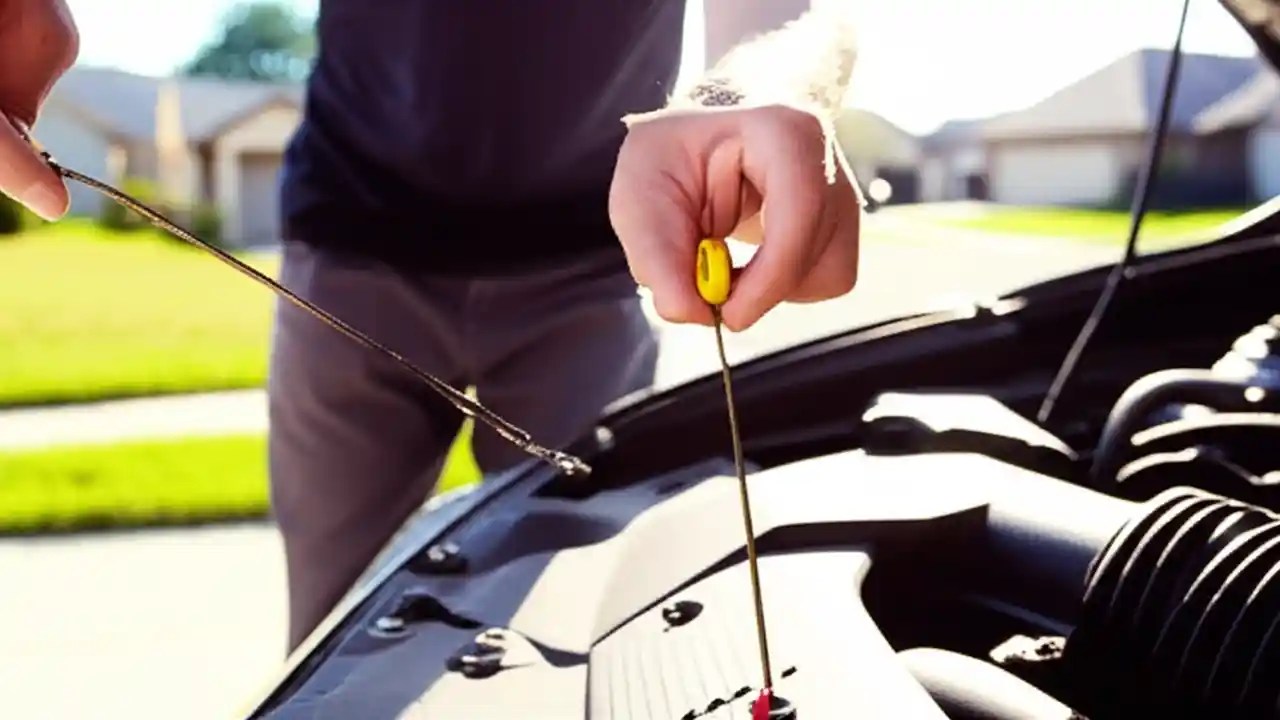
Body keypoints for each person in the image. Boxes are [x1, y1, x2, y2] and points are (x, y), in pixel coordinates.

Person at [0, 0, 863, 651]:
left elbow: (785, 19)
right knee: (335, 641)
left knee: (576, 622)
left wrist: (757, 92)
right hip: (351, 254)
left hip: (594, 262)